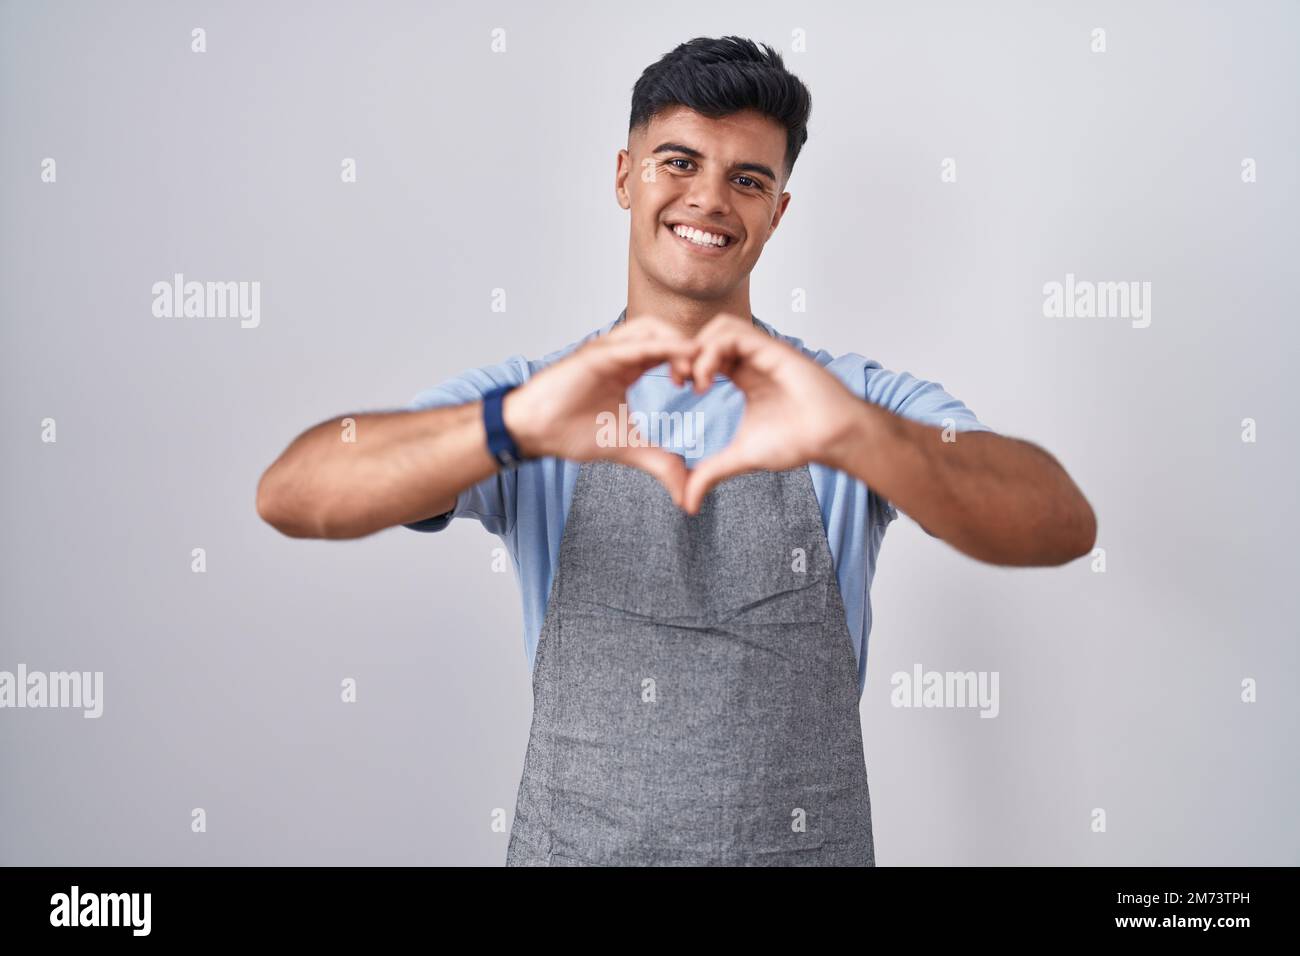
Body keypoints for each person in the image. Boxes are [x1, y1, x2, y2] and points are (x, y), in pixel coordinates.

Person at [256, 36, 1096, 866]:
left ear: (778, 210)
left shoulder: (852, 401)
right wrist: (509, 425)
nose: (709, 199)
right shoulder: (538, 396)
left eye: (748, 179)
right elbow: (296, 492)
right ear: (625, 176)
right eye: (678, 163)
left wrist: (854, 433)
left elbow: (1058, 521)